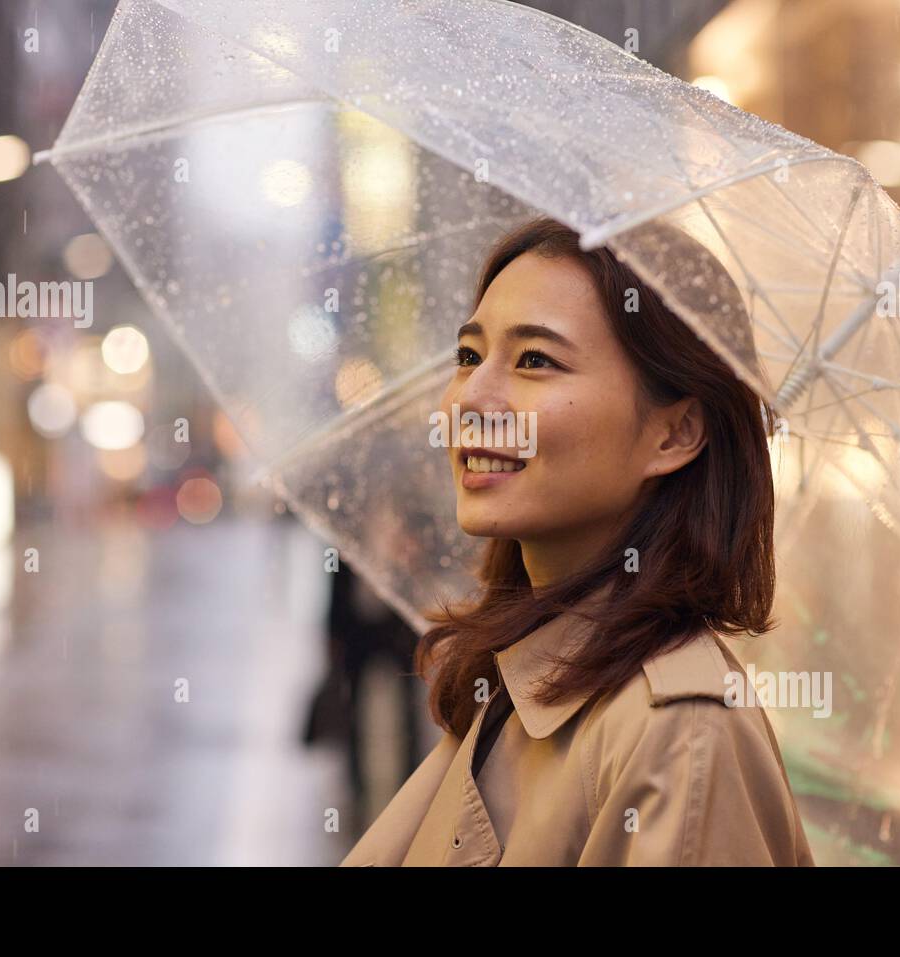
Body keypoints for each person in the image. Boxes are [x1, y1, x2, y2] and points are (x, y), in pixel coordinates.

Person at [339, 215, 814, 866]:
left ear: (674, 434)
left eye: (536, 359)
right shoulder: (525, 675)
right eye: (469, 355)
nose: (471, 397)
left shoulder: (683, 735)